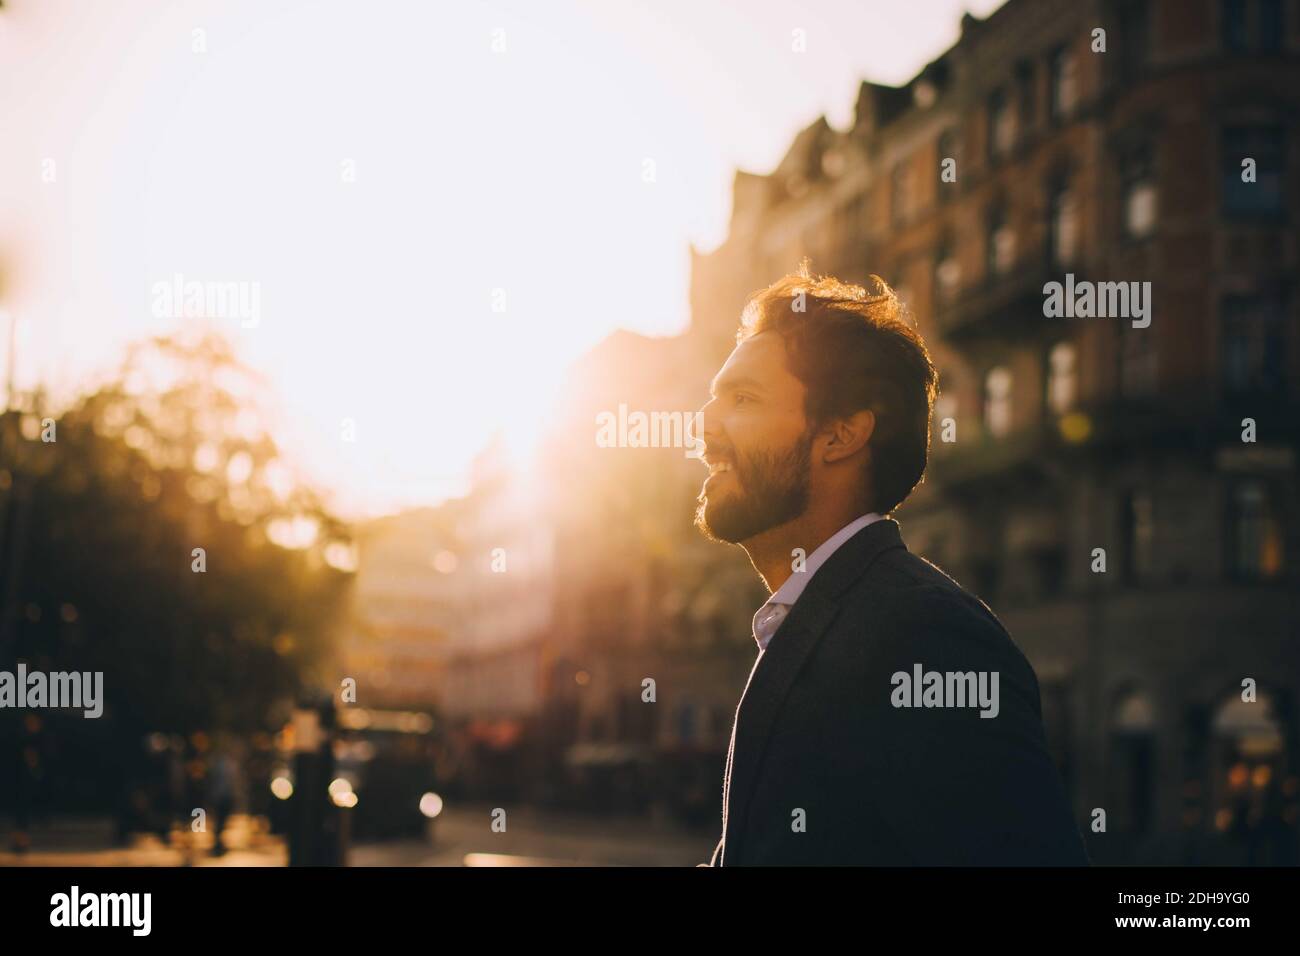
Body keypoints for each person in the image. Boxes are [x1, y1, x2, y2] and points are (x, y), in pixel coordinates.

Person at [694, 260, 1087, 865]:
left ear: (840, 436)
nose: (705, 423)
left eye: (742, 399)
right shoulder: (813, 620)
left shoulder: (924, 636)